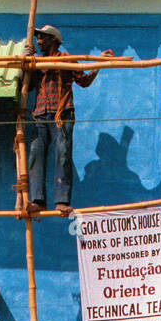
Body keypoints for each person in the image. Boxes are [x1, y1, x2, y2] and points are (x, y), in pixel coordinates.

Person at [25, 24, 112, 214]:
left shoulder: (66, 59)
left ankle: (61, 201)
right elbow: (29, 86)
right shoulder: (36, 62)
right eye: (38, 38)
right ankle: (37, 201)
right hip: (40, 115)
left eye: (43, 38)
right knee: (35, 156)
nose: (39, 42)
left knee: (62, 155)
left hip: (61, 115)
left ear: (54, 40)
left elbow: (84, 81)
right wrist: (27, 63)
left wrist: (99, 64)